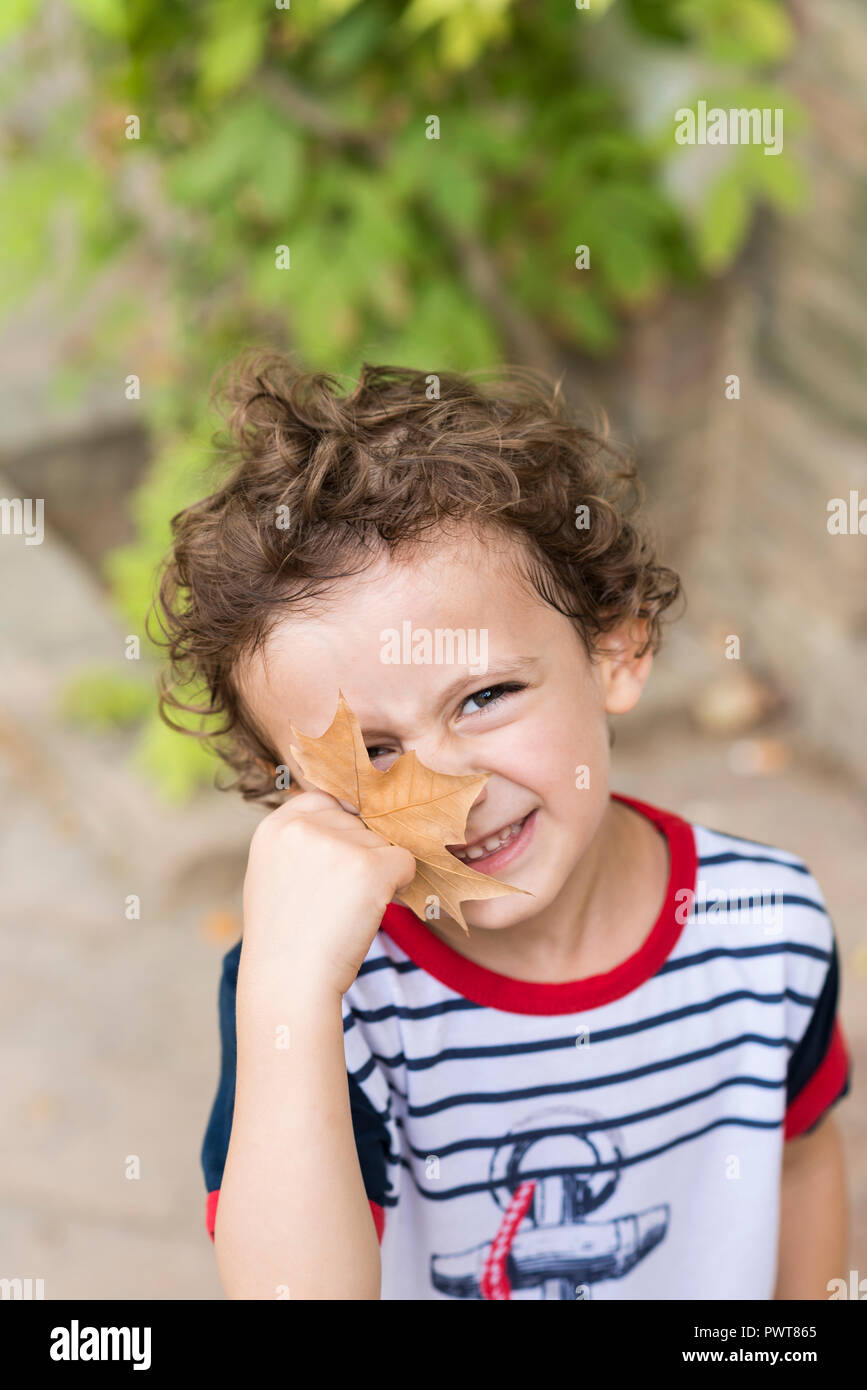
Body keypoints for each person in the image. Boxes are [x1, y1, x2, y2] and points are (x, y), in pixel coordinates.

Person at [156, 351, 851, 1300]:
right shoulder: (330, 996)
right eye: (374, 751)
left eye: (484, 697)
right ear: (298, 799)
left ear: (615, 647)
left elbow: (799, 1161)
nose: (451, 787)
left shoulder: (766, 923)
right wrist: (287, 998)